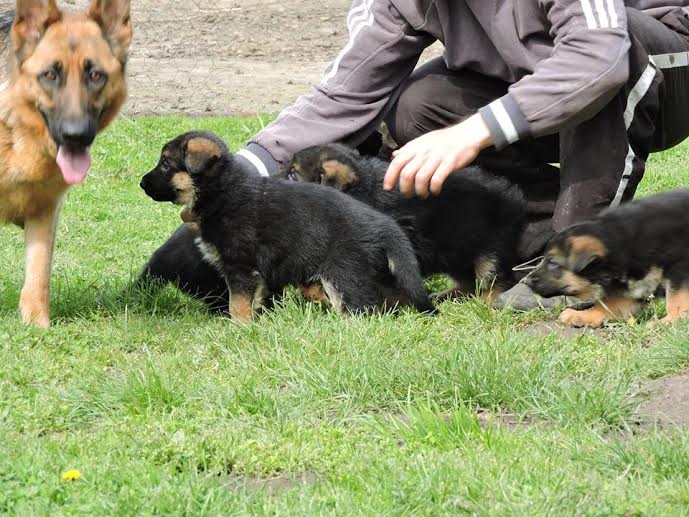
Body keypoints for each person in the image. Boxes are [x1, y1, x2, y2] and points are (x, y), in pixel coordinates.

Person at [147, 1, 689, 310]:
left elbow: (599, 57)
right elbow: (347, 91)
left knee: (606, 60)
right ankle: (526, 243)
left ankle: (588, 267)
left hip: (661, 56)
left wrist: (475, 130)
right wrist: (241, 180)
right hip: (542, 74)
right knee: (420, 103)